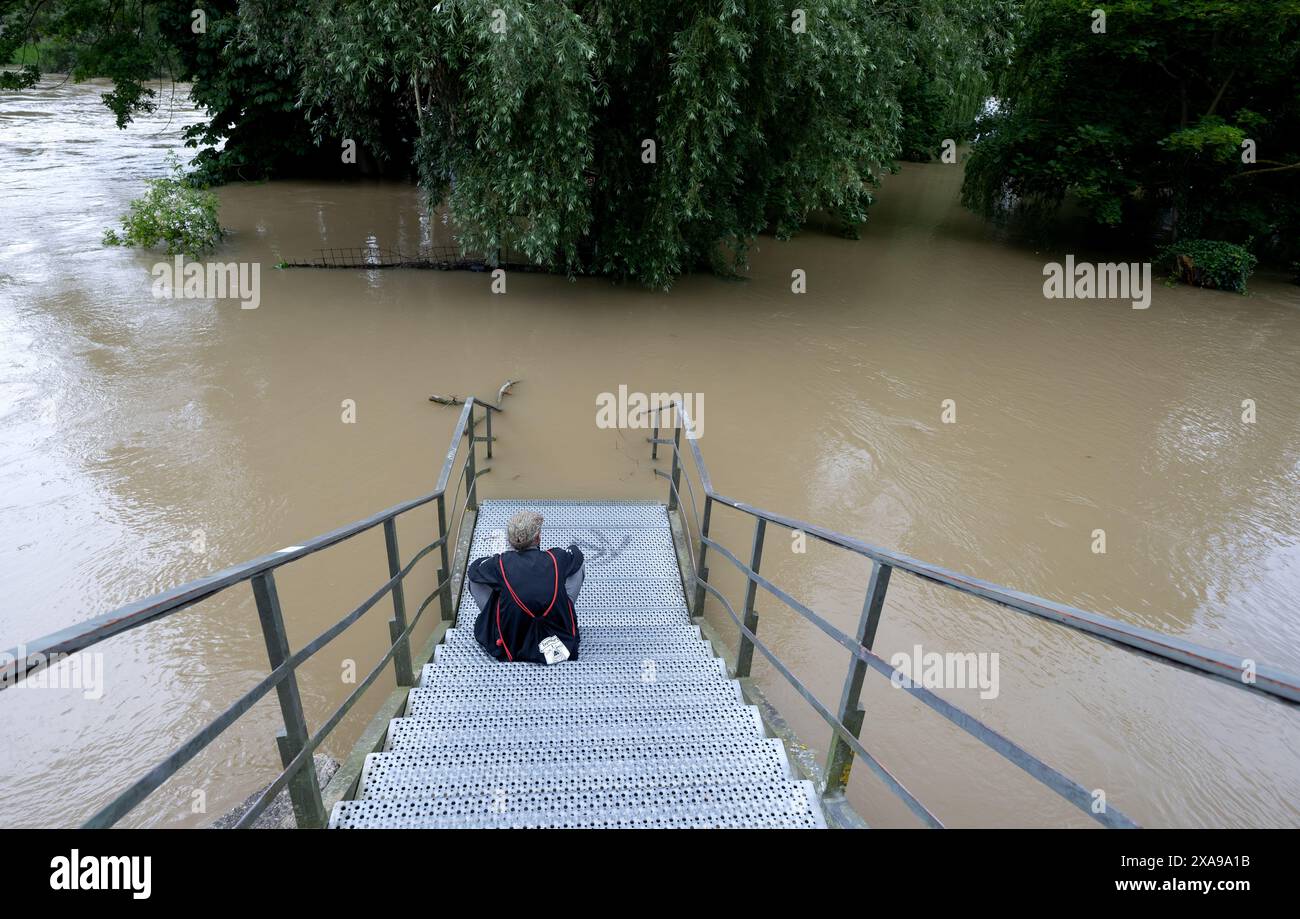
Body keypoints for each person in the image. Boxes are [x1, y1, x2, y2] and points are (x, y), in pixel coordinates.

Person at [467, 510, 584, 663]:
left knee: (476, 581)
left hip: (513, 645)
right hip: (559, 639)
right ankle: (561, 611)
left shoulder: (500, 564)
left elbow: (474, 570)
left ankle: (496, 623)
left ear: (510, 540)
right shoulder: (556, 558)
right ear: (537, 537)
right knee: (578, 566)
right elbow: (576, 554)